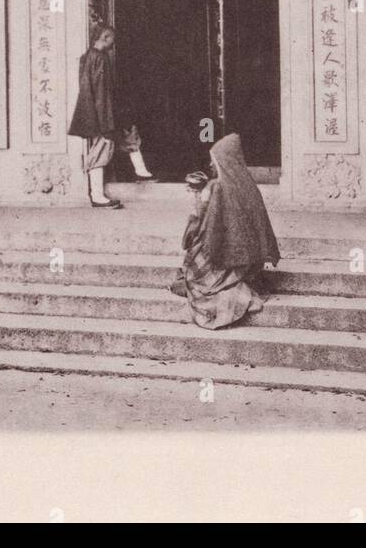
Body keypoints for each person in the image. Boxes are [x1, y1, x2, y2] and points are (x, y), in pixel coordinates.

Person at [170, 134, 280, 329]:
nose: (211, 166)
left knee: (195, 274)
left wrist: (197, 199)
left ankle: (237, 295)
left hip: (222, 256)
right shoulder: (248, 186)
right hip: (248, 263)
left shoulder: (216, 188)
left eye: (214, 161)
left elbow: (202, 227)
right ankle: (242, 287)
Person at [67, 23, 154, 208]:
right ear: (105, 37)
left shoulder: (90, 57)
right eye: (112, 38)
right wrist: (105, 121)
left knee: (130, 134)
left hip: (107, 110)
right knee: (101, 149)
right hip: (102, 114)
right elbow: (100, 93)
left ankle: (142, 172)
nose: (114, 42)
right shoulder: (98, 59)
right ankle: (97, 196)